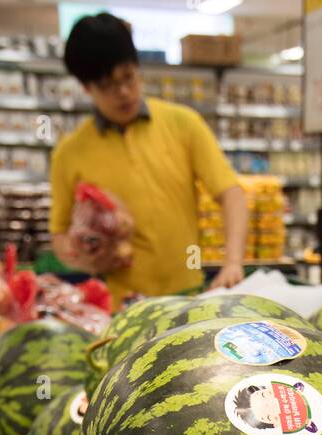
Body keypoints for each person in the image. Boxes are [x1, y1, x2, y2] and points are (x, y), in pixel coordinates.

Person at [50, 12, 247, 305]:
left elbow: (231, 194)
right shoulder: (69, 151)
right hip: (120, 308)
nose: (124, 92)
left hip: (187, 298)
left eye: (128, 76)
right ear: (86, 87)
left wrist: (233, 261)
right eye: (107, 85)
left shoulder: (183, 123)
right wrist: (85, 258)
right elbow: (59, 234)